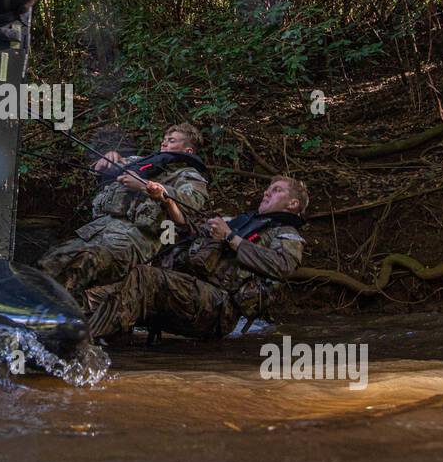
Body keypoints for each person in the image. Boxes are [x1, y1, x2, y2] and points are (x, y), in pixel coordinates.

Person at [83, 175, 309, 342]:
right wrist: (167, 200)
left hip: (218, 309)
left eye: (277, 190)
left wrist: (230, 237)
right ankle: (64, 325)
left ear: (292, 204)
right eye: (268, 188)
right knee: (115, 282)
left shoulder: (287, 234)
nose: (267, 192)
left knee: (144, 279)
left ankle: (82, 342)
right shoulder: (240, 221)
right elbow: (187, 230)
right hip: (189, 290)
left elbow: (283, 265)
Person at [37, 124, 209, 299]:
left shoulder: (188, 177)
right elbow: (104, 167)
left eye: (171, 141)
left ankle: (49, 314)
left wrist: (146, 188)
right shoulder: (143, 161)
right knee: (51, 261)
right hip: (98, 230)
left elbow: (185, 216)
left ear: (188, 150)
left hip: (135, 242)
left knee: (84, 262)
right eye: (164, 140)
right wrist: (109, 159)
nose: (164, 144)